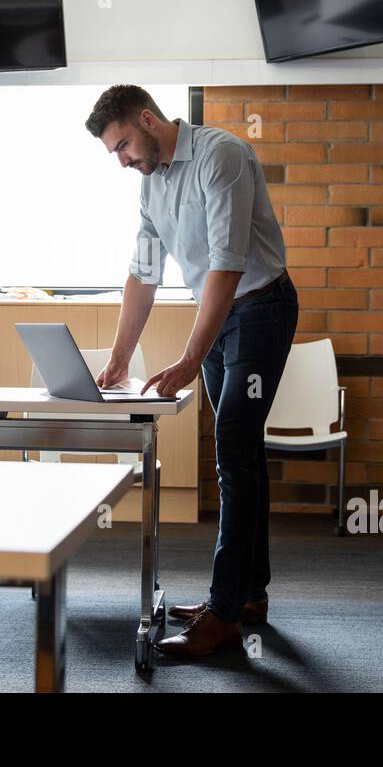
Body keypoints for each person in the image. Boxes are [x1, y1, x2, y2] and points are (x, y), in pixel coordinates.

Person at [85, 85, 298, 659]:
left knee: (232, 445)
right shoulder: (152, 185)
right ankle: (249, 595)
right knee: (240, 452)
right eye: (114, 153)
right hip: (219, 315)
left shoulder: (220, 157)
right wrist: (120, 357)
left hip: (258, 307)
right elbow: (143, 274)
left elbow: (227, 267)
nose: (123, 160)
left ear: (149, 120)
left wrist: (186, 356)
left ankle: (225, 613)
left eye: (124, 144)